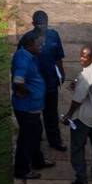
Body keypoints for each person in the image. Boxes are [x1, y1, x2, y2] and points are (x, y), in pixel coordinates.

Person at [61, 45, 92, 184]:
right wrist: (78, 82)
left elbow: (78, 98)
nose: (81, 59)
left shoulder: (86, 74)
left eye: (84, 56)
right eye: (80, 55)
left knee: (77, 147)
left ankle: (81, 176)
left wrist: (69, 115)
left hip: (83, 117)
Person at [11, 30, 51, 180]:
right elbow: (18, 80)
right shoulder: (23, 60)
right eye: (39, 44)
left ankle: (37, 161)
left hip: (33, 108)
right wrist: (26, 92)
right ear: (29, 45)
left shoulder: (29, 55)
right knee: (26, 139)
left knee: (35, 134)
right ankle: (22, 170)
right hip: (26, 107)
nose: (42, 46)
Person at [31, 10, 67, 151]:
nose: (42, 26)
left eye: (44, 23)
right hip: (35, 83)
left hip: (51, 81)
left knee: (51, 113)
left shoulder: (53, 35)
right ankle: (36, 138)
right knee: (34, 113)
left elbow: (58, 56)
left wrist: (61, 72)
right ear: (33, 24)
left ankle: (55, 141)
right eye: (39, 24)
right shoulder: (28, 39)